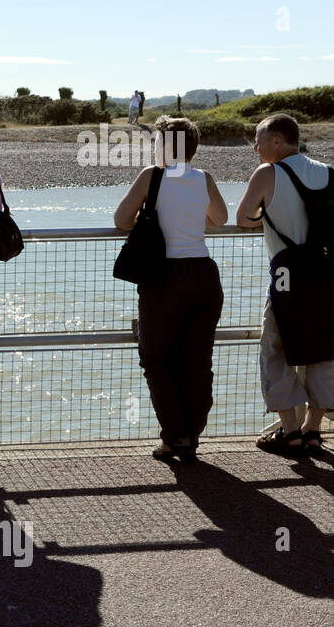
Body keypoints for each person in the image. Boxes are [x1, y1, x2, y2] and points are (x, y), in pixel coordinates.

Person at [114, 116, 228, 462]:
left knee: (157, 359)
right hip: (204, 273)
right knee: (197, 360)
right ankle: (191, 433)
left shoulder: (152, 176)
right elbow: (220, 219)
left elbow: (121, 220)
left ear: (165, 146)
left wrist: (148, 219)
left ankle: (174, 436)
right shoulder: (203, 178)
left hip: (164, 277)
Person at [235, 113, 334, 456]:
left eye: (259, 141)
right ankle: (313, 428)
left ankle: (290, 430)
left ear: (278, 141)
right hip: (325, 276)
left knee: (275, 348)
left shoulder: (268, 173)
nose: (255, 149)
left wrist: (266, 214)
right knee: (323, 350)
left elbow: (243, 218)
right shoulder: (328, 172)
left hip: (286, 277)